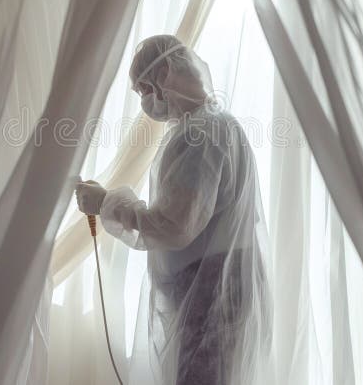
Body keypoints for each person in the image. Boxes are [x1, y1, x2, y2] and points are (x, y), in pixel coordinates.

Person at [75, 35, 271, 385]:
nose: (145, 103)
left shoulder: (202, 134)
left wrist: (106, 203)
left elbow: (173, 225)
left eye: (144, 90)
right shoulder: (211, 124)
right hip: (215, 288)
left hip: (211, 292)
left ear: (165, 73)